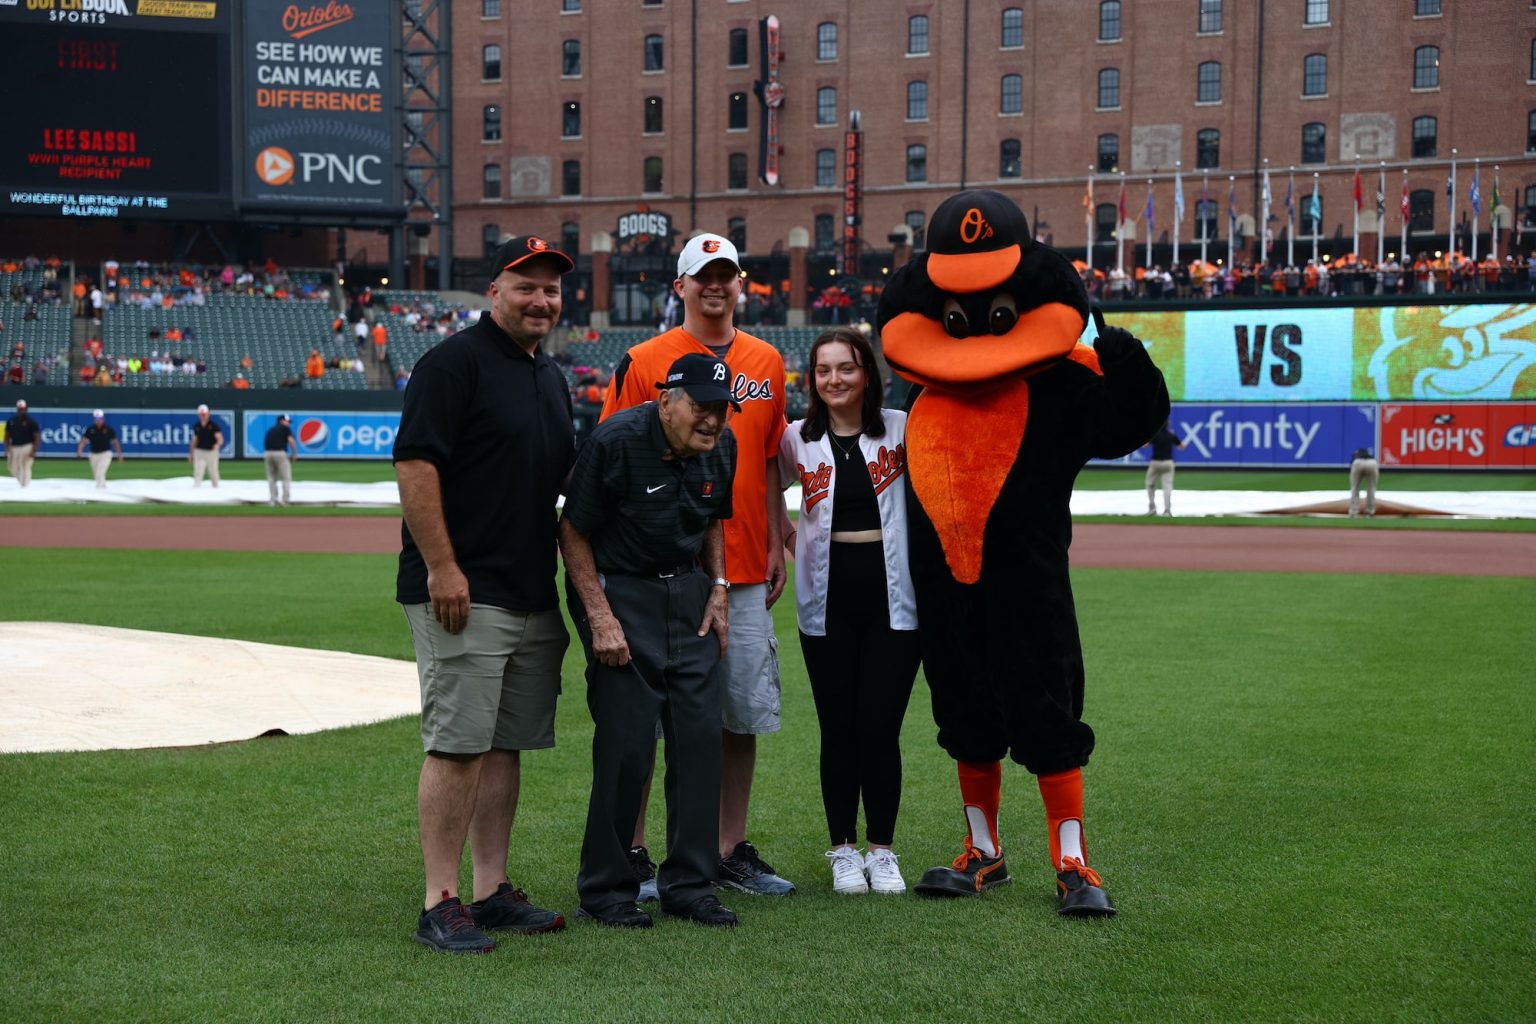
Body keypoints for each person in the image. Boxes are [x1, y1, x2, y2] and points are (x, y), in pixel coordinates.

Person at [392, 235, 577, 954]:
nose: (541, 300)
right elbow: (415, 467)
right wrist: (443, 566)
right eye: (526, 286)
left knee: (504, 746)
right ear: (493, 291)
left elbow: (565, 481)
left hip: (530, 588)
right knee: (459, 745)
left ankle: (490, 889)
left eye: (551, 290)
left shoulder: (550, 376)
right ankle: (440, 900)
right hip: (462, 590)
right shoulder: (452, 365)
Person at [599, 232, 792, 899]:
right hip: (659, 573)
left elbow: (766, 457)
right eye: (702, 276)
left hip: (739, 569)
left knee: (738, 713)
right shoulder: (646, 360)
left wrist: (775, 534)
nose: (716, 286)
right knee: (649, 718)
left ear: (740, 284)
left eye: (726, 275)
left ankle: (725, 847)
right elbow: (613, 454)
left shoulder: (765, 361)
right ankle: (635, 851)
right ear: (678, 286)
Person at [560, 352, 740, 929]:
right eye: (701, 408)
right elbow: (573, 530)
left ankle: (689, 884)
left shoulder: (723, 447)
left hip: (688, 592)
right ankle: (607, 889)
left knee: (698, 740)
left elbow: (713, 519)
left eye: (722, 410)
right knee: (628, 745)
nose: (712, 421)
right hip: (622, 591)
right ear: (667, 400)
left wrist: (718, 587)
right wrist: (599, 615)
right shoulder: (615, 439)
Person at [777, 327, 919, 895]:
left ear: (867, 374)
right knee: (838, 729)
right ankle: (842, 849)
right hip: (825, 604)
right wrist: (780, 537)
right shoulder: (797, 438)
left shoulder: (902, 429)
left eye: (847, 368)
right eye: (824, 370)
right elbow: (763, 483)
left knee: (880, 729)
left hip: (895, 602)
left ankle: (881, 850)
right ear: (812, 379)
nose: (834, 380)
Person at [1144, 420, 1185, 516]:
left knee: (1150, 484)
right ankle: (1167, 510)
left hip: (1155, 462)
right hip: (1168, 462)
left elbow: (1145, 446)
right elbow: (1182, 446)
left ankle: (1152, 509)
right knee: (1167, 487)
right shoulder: (1171, 435)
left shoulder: (1155, 434)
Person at [76, 409, 121, 489]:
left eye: (100, 418)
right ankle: (103, 487)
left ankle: (99, 491)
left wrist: (119, 455)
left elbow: (115, 442)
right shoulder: (90, 429)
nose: (98, 420)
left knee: (100, 473)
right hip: (93, 454)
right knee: (96, 475)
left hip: (105, 454)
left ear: (103, 418)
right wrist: (80, 450)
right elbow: (84, 441)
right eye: (96, 418)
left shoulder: (108, 429)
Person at [262, 414, 298, 506]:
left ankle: (273, 500)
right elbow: (291, 440)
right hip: (280, 453)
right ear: (281, 421)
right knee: (286, 477)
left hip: (267, 453)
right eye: (287, 421)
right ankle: (284, 500)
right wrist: (294, 453)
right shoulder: (285, 428)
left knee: (271, 478)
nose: (289, 423)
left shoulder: (271, 429)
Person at [4, 399, 40, 487]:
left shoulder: (31, 421)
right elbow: (7, 436)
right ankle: (21, 483)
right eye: (20, 409)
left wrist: (34, 450)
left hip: (27, 446)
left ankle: (25, 485)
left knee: (25, 466)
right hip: (15, 447)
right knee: (13, 467)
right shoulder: (12, 421)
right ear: (17, 409)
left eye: (23, 409)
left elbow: (37, 436)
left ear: (26, 409)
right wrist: (7, 448)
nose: (21, 411)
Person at [189, 404, 223, 488]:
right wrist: (191, 454)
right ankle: (196, 489)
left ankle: (216, 489)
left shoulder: (213, 426)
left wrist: (217, 445)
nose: (203, 416)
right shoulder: (197, 426)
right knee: (198, 472)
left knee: (213, 472)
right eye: (201, 415)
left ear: (208, 414)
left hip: (211, 451)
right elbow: (194, 441)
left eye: (204, 414)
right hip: (199, 451)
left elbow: (220, 438)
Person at [1349, 447, 1379, 518]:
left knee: (1355, 488)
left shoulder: (1356, 457)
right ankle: (1370, 512)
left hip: (1358, 463)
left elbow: (1351, 463)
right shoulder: (1370, 456)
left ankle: (1354, 512)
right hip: (1372, 463)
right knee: (1371, 489)